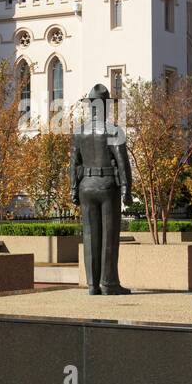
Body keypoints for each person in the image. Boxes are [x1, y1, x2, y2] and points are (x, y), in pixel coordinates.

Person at [71, 84, 131, 295]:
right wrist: (127, 189)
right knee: (109, 236)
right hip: (106, 186)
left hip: (86, 187)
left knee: (89, 236)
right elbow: (122, 163)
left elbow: (74, 164)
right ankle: (109, 283)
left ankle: (92, 285)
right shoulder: (114, 130)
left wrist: (73, 189)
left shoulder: (79, 131)